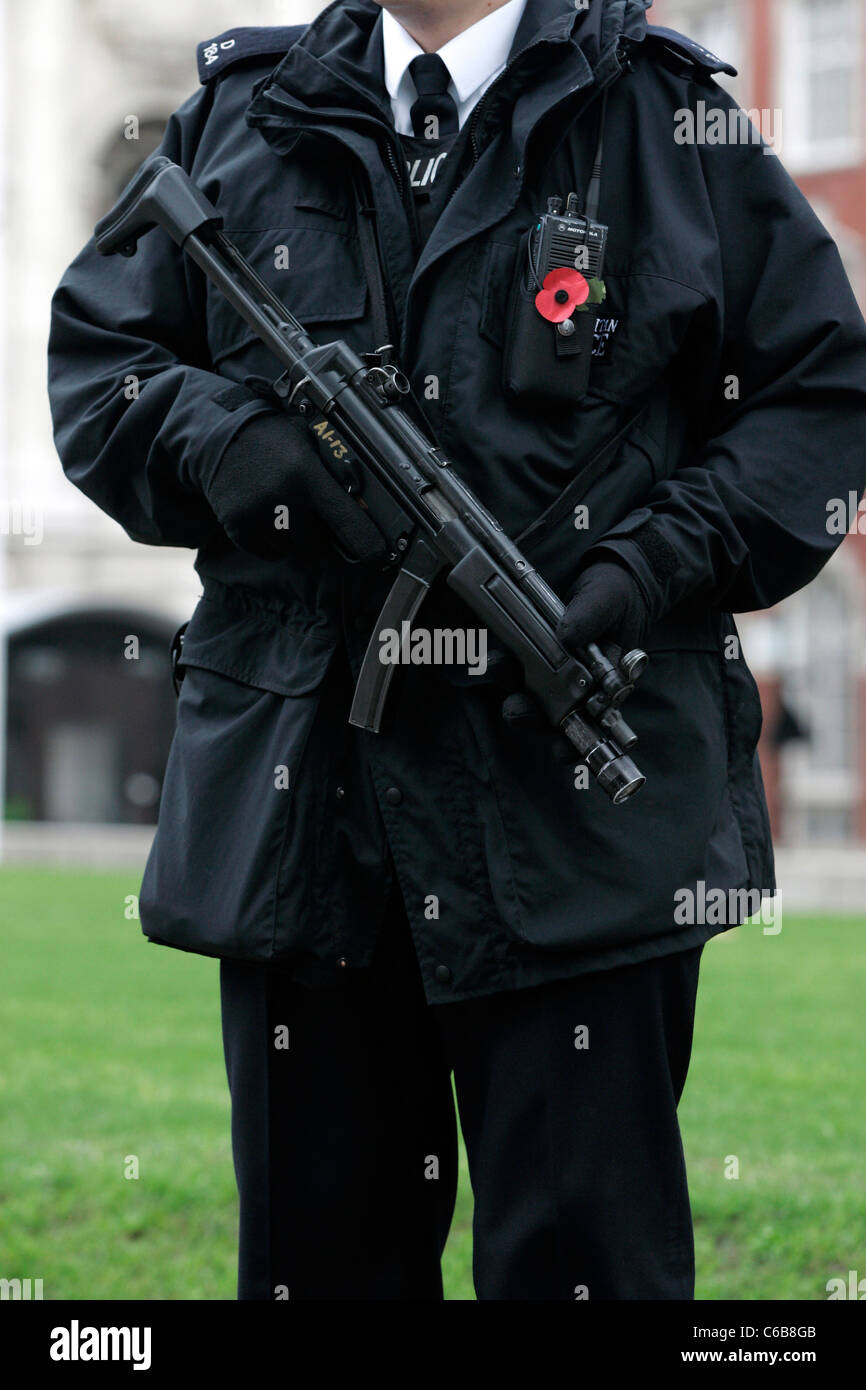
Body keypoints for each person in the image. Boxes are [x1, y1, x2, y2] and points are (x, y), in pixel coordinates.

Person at [48, 0, 866, 1301]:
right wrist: (232, 446)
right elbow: (102, 367)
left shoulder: (664, 119)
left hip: (579, 839)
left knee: (582, 1270)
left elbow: (818, 402)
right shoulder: (246, 111)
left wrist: (641, 562)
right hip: (304, 822)